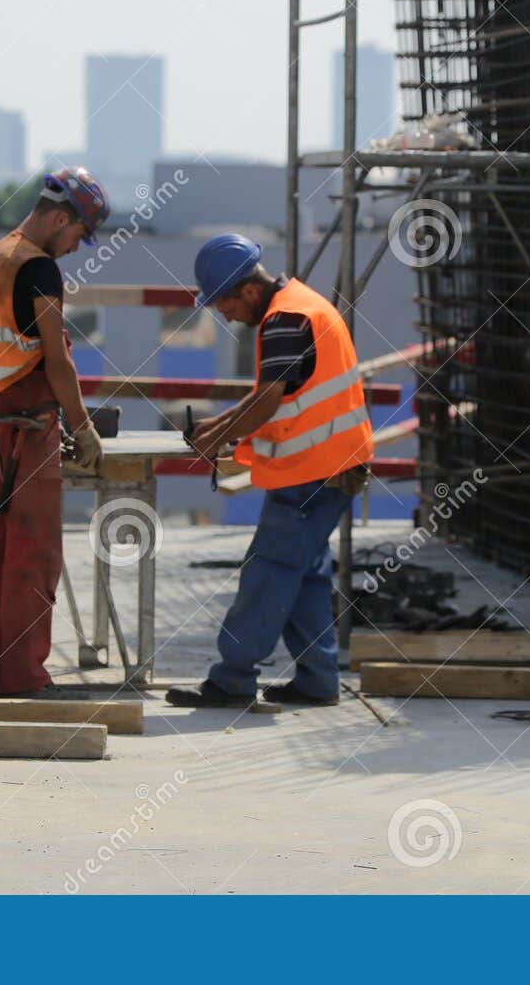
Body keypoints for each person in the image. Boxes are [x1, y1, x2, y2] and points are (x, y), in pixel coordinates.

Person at [168, 233, 374, 710]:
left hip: (314, 471)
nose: (225, 316)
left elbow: (265, 402)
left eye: (224, 304)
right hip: (332, 466)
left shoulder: (285, 319)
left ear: (248, 290)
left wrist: (219, 436)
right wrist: (217, 426)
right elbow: (272, 392)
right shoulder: (300, 304)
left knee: (269, 572)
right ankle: (319, 679)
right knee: (303, 575)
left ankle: (232, 679)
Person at [0, 166, 108, 698]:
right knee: (34, 554)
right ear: (59, 217)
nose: (76, 246)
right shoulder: (39, 268)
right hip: (30, 428)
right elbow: (57, 362)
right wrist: (84, 427)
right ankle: (22, 678)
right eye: (78, 234)